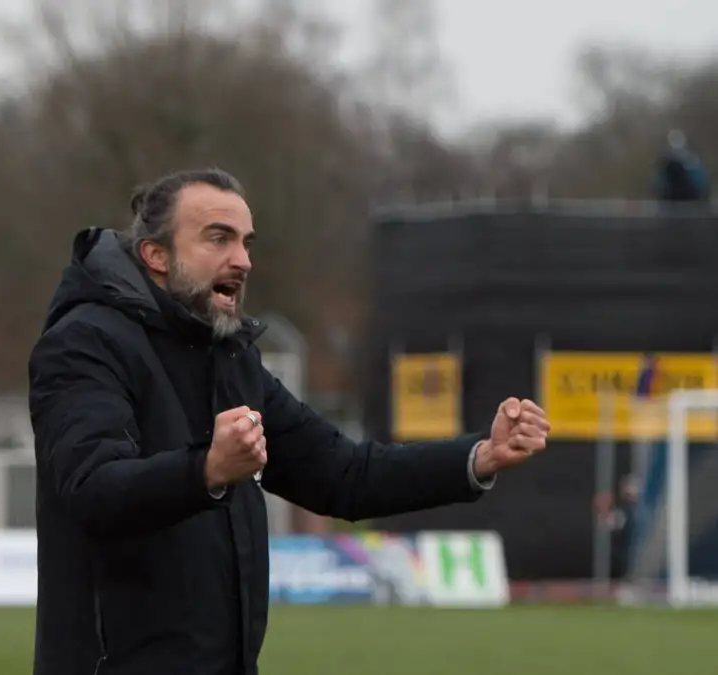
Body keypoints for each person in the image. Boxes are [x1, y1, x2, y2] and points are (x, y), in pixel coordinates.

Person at [27, 168, 551, 675]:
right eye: (219, 238)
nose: (243, 260)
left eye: (247, 242)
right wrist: (206, 470)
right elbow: (93, 489)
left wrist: (479, 456)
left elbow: (345, 475)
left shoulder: (230, 359)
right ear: (156, 256)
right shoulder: (85, 343)